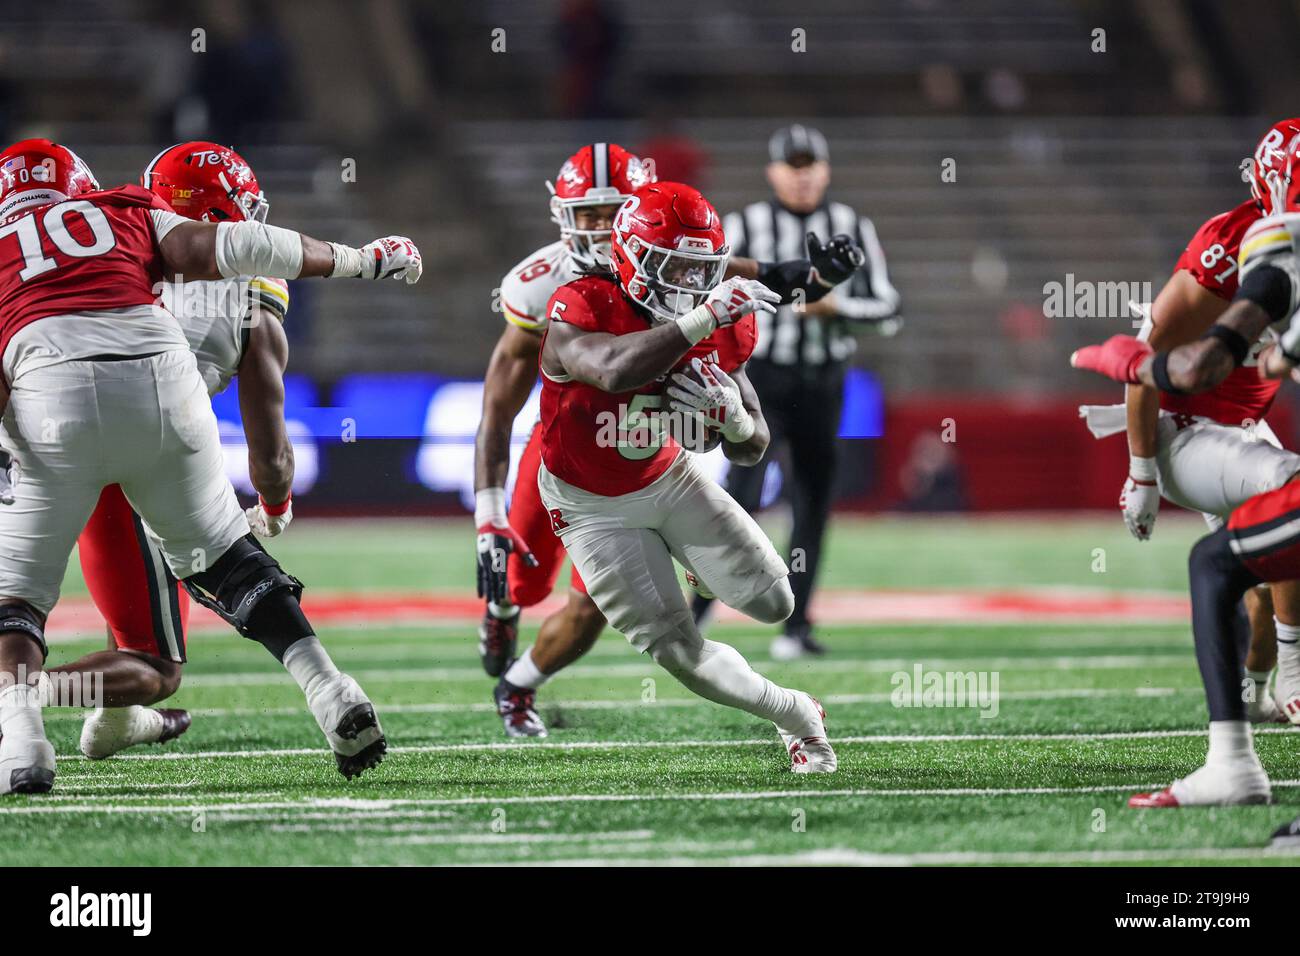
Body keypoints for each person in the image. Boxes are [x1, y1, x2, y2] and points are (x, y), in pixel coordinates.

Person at [0, 138, 421, 793]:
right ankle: (330, 690)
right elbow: (221, 255)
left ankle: (24, 736)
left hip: (57, 417)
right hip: (164, 399)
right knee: (225, 567)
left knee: (21, 606)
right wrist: (361, 260)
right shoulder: (130, 216)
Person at [474, 143, 862, 737]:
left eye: (614, 212)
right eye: (590, 215)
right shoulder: (554, 287)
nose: (602, 230)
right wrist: (488, 510)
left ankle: (521, 682)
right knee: (518, 578)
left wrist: (806, 285)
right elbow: (509, 401)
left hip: (657, 463)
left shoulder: (695, 275)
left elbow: (767, 281)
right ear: (564, 215)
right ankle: (502, 613)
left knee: (600, 607)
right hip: (568, 450)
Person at [533, 180, 836, 772]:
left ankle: (693, 563)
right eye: (675, 266)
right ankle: (798, 716)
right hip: (591, 503)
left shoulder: (716, 320)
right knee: (678, 649)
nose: (691, 285)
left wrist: (734, 422)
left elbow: (754, 447)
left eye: (702, 271)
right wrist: (699, 322)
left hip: (668, 477)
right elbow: (613, 370)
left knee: (776, 601)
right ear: (633, 256)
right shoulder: (583, 303)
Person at [39, 142, 297, 759]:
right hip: (130, 449)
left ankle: (110, 717)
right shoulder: (241, 288)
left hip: (39, 440)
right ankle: (17, 693)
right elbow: (266, 429)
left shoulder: (91, 246)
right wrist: (275, 501)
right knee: (155, 664)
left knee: (55, 622)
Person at [1080, 118, 1300, 721]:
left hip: (1249, 431)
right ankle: (1293, 676)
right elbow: (1149, 362)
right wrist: (1143, 473)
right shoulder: (1230, 245)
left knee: (1267, 583)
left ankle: (1254, 693)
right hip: (1186, 428)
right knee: (1290, 491)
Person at [692, 124, 900, 660]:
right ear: (773, 172)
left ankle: (796, 624)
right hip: (760, 376)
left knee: (813, 501)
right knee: (740, 497)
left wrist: (839, 308)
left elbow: (890, 310)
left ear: (825, 170)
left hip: (825, 381)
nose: (803, 176)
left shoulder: (851, 225)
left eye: (811, 165)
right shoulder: (744, 225)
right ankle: (697, 613)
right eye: (793, 165)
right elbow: (709, 292)